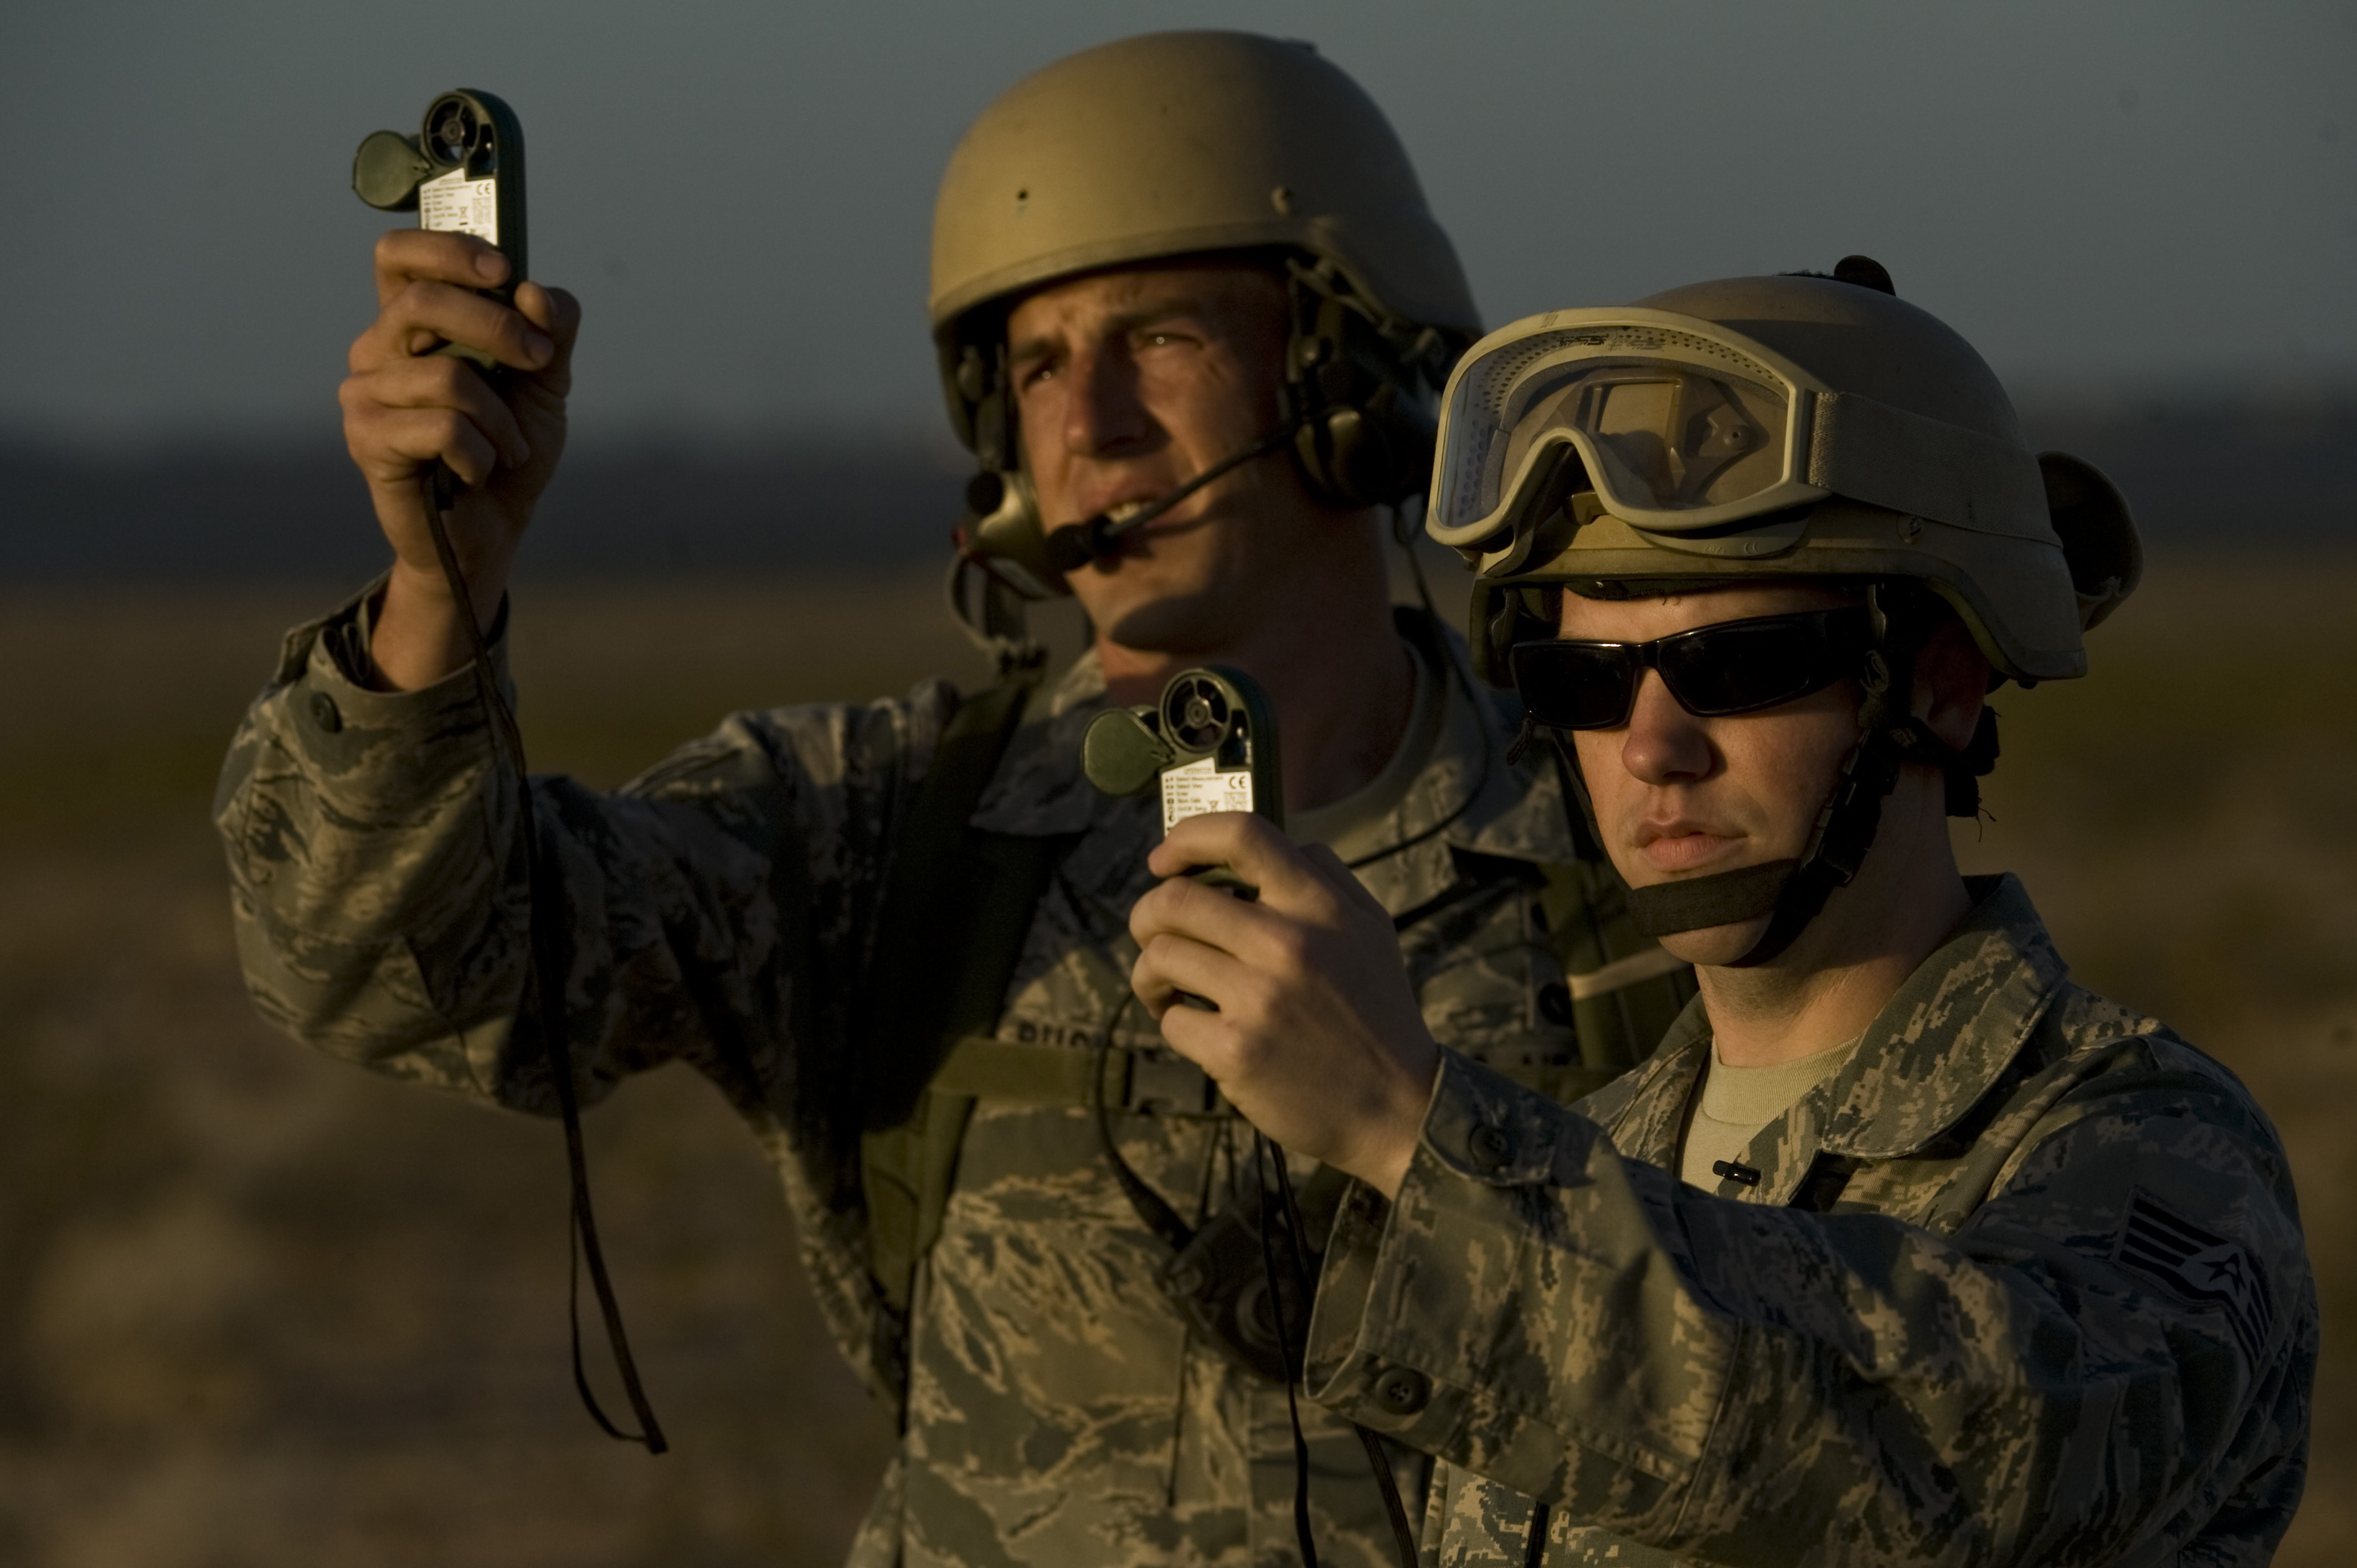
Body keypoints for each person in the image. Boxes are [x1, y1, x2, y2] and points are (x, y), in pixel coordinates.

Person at [214, 30, 1696, 1568]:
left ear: (1351, 380)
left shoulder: (1643, 831)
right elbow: (382, 974)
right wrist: (437, 589)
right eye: (1038, 366)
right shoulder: (882, 831)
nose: (1089, 425)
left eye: (1162, 338)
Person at [1123, 263, 2317, 1564]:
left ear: (1943, 686)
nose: (1651, 749)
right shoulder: (1596, 1153)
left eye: (1736, 667)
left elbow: (1953, 1464)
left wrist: (1405, 1125)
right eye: (1584, 681)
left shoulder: (2147, 1153)